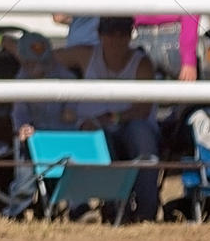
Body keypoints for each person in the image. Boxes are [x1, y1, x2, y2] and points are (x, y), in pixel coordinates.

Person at [62, 16, 159, 223]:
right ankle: (114, 206)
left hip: (130, 127)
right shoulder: (85, 55)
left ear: (130, 34)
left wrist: (111, 118)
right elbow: (42, 56)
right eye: (110, 32)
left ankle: (146, 210)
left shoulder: (141, 64)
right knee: (98, 139)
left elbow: (143, 110)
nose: (116, 39)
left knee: (141, 136)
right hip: (95, 130)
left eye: (122, 32)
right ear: (99, 34)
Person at [4, 32, 77, 220]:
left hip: (62, 138)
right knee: (25, 168)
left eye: (42, 62)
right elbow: (19, 113)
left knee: (72, 165)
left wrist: (71, 113)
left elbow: (73, 114)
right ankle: (17, 210)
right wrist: (23, 127)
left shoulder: (65, 78)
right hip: (35, 140)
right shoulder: (22, 80)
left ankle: (76, 208)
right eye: (30, 63)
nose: (36, 68)